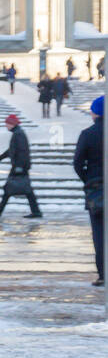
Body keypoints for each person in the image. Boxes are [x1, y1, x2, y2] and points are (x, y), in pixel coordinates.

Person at [73, 95, 105, 287]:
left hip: (97, 191)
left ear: (96, 113)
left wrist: (89, 180)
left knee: (99, 233)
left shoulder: (88, 134)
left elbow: (77, 163)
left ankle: (103, 274)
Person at [0, 113, 41, 218]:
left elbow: (22, 151)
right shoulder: (17, 133)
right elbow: (11, 150)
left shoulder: (18, 134)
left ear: (12, 124)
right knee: (23, 190)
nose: (6, 125)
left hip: (19, 167)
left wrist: (19, 167)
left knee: (12, 189)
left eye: (7, 123)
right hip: (19, 166)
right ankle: (36, 211)